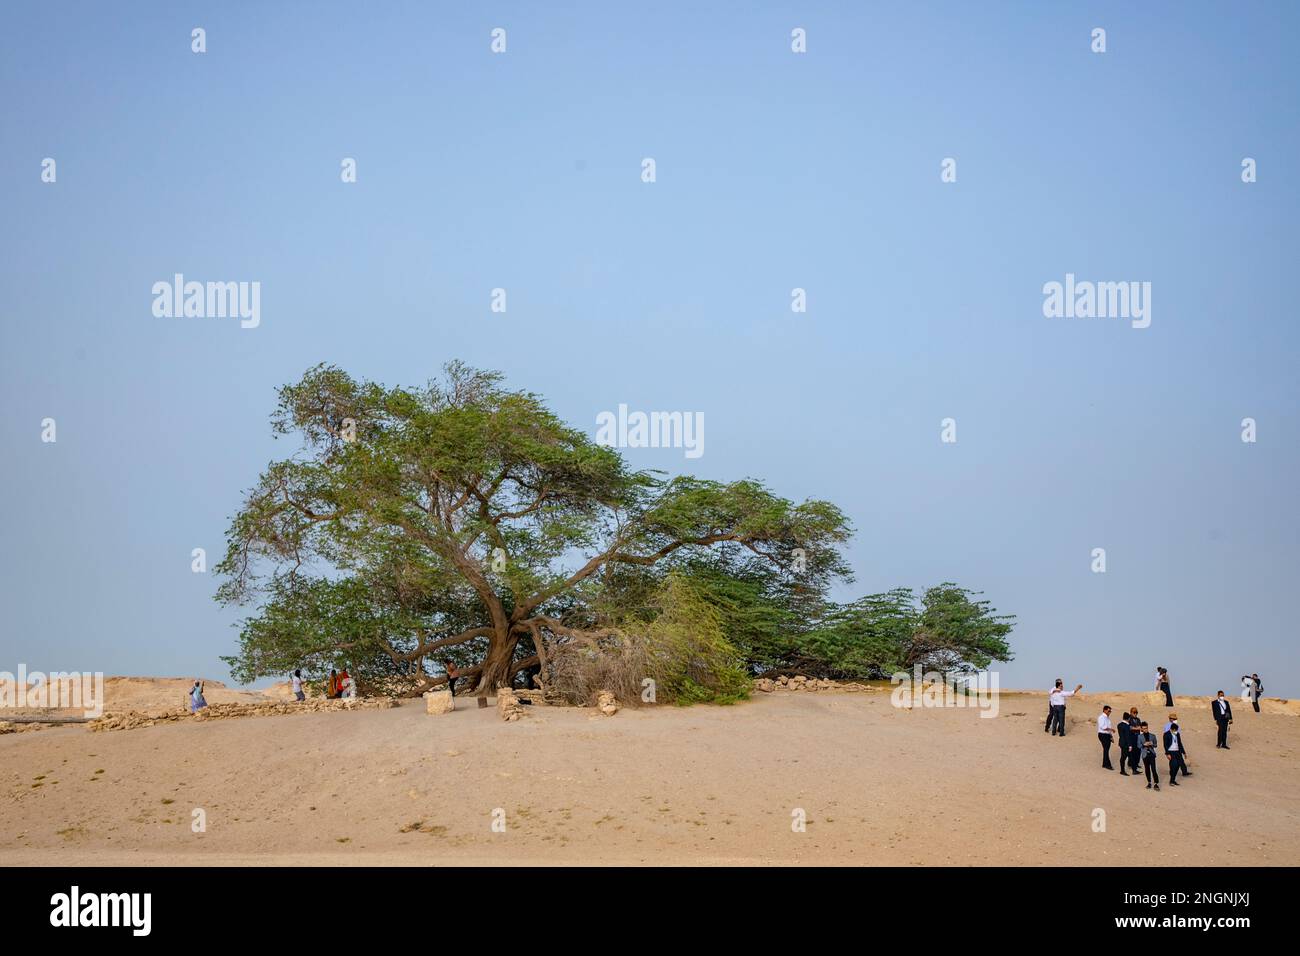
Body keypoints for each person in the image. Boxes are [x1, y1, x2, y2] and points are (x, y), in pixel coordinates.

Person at [1163, 721, 1189, 785]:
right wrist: (1167, 753)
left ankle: (1173, 779)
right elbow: (1165, 745)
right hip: (1171, 752)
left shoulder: (1177, 734)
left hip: (1178, 751)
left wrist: (1184, 752)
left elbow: (1180, 743)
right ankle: (1172, 780)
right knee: (1173, 765)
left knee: (1178, 765)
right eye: (1175, 730)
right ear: (1171, 729)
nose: (1176, 731)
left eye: (1176, 730)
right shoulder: (1166, 734)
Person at [1137, 721, 1160, 790]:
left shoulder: (1153, 736)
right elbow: (1138, 746)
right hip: (1145, 755)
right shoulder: (1139, 736)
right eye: (1144, 728)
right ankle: (1149, 782)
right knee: (1147, 769)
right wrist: (1144, 744)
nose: (1145, 730)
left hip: (1152, 754)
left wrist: (1151, 744)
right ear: (1141, 729)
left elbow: (1156, 745)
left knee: (1153, 769)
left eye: (1146, 728)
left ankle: (1156, 783)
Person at [1116, 707, 1134, 776]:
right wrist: (1130, 745)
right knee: (1124, 757)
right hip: (1126, 744)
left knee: (1126, 757)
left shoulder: (1119, 725)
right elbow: (1127, 736)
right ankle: (1122, 770)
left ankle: (1132, 768)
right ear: (1128, 718)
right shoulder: (1126, 726)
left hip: (1121, 743)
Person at [1097, 705, 1115, 769]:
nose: (1109, 712)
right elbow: (1102, 727)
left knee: (1106, 749)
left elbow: (1108, 728)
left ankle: (1104, 764)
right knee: (1106, 749)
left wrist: (1111, 736)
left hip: (1107, 735)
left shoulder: (1107, 718)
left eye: (1110, 711)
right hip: (1102, 735)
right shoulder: (1101, 717)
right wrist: (1111, 729)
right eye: (1108, 711)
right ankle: (1108, 764)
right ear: (1104, 710)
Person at [1125, 707, 1143, 774]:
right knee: (1132, 752)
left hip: (1138, 737)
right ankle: (1132, 765)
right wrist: (1136, 728)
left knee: (1138, 751)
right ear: (1131, 712)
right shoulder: (1129, 719)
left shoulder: (1138, 719)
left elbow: (1140, 727)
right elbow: (1129, 727)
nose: (1135, 714)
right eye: (1134, 712)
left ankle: (1136, 763)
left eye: (1136, 712)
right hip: (1131, 737)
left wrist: (1138, 728)